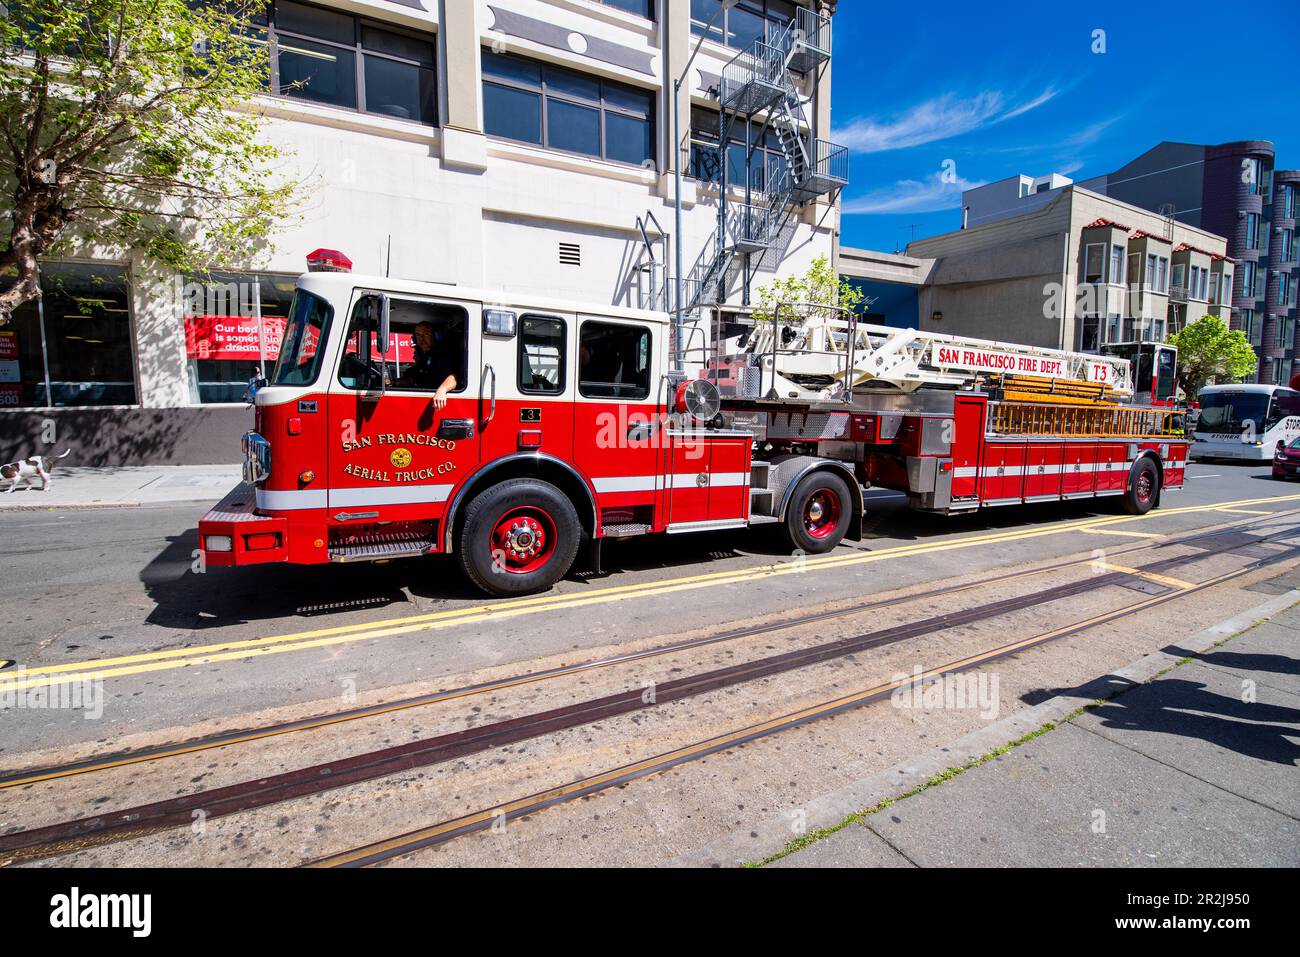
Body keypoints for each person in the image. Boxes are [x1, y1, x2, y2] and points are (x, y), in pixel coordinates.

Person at [397, 320, 458, 408]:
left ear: (436, 336)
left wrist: (442, 390)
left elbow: (453, 377)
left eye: (426, 334)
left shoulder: (442, 355)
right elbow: (416, 377)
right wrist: (398, 382)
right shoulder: (423, 357)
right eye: (418, 335)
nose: (421, 339)